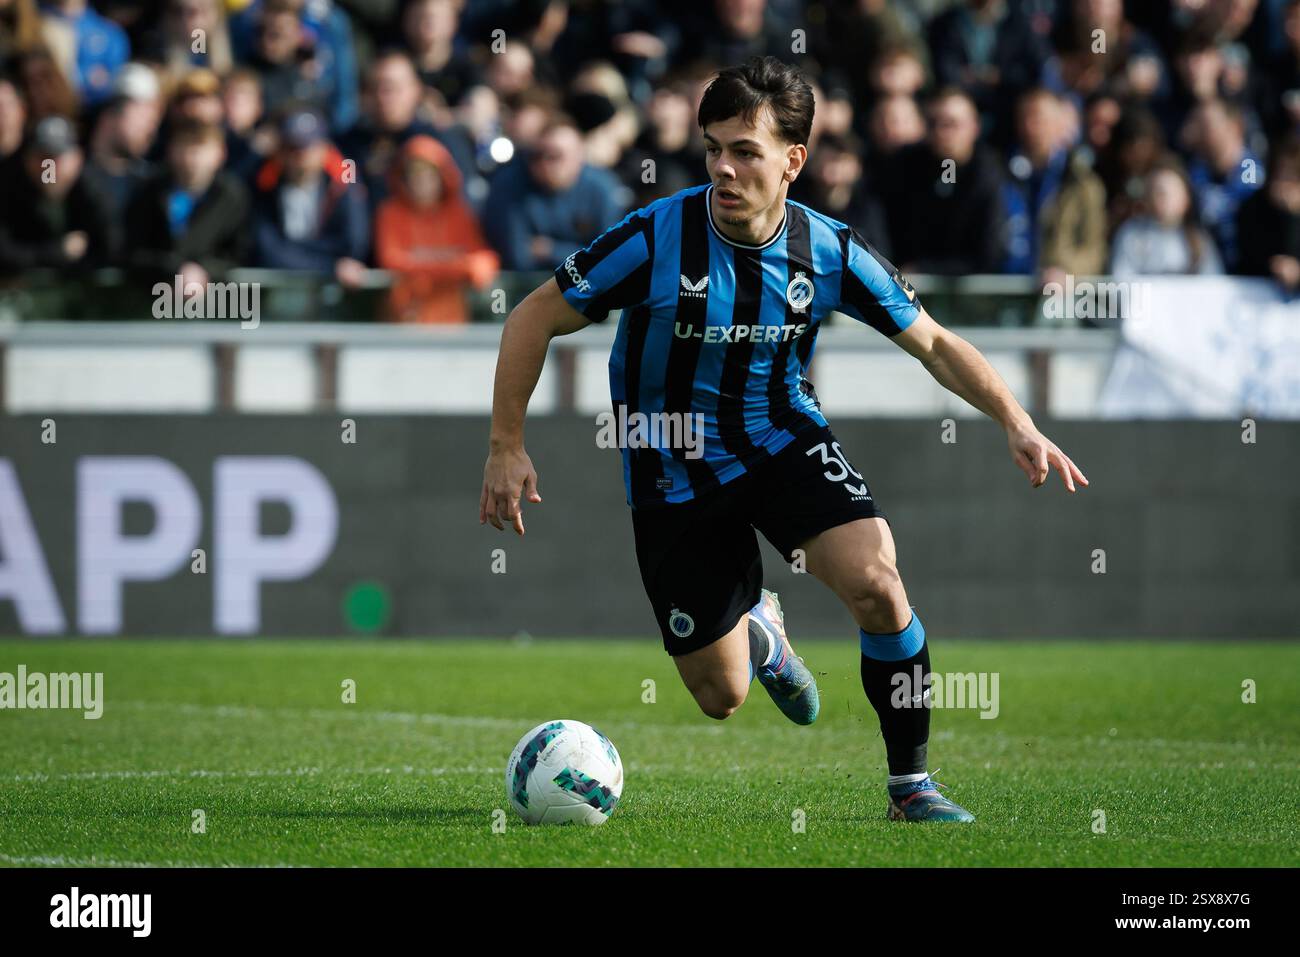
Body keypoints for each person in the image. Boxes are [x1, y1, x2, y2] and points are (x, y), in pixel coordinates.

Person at [479, 57, 1088, 825]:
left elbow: (932, 342)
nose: (724, 169)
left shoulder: (828, 249)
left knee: (877, 582)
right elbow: (533, 314)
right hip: (671, 465)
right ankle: (761, 635)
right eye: (713, 149)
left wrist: (1016, 419)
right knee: (720, 695)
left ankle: (912, 788)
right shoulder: (656, 236)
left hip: (779, 439)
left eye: (746, 151)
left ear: (794, 161)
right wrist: (507, 442)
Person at [373, 134, 498, 323]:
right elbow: (392, 259)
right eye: (414, 176)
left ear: (441, 177)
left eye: (429, 176)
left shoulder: (458, 212)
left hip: (452, 319)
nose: (422, 183)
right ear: (404, 179)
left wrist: (479, 265)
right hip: (406, 318)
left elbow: (481, 258)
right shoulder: (390, 212)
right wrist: (455, 264)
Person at [251, 106, 369, 281]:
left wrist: (295, 252)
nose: (301, 155)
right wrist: (330, 266)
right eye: (293, 147)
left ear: (324, 148)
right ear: (280, 151)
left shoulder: (344, 185)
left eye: (308, 146)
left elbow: (353, 245)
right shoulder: (263, 186)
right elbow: (267, 251)